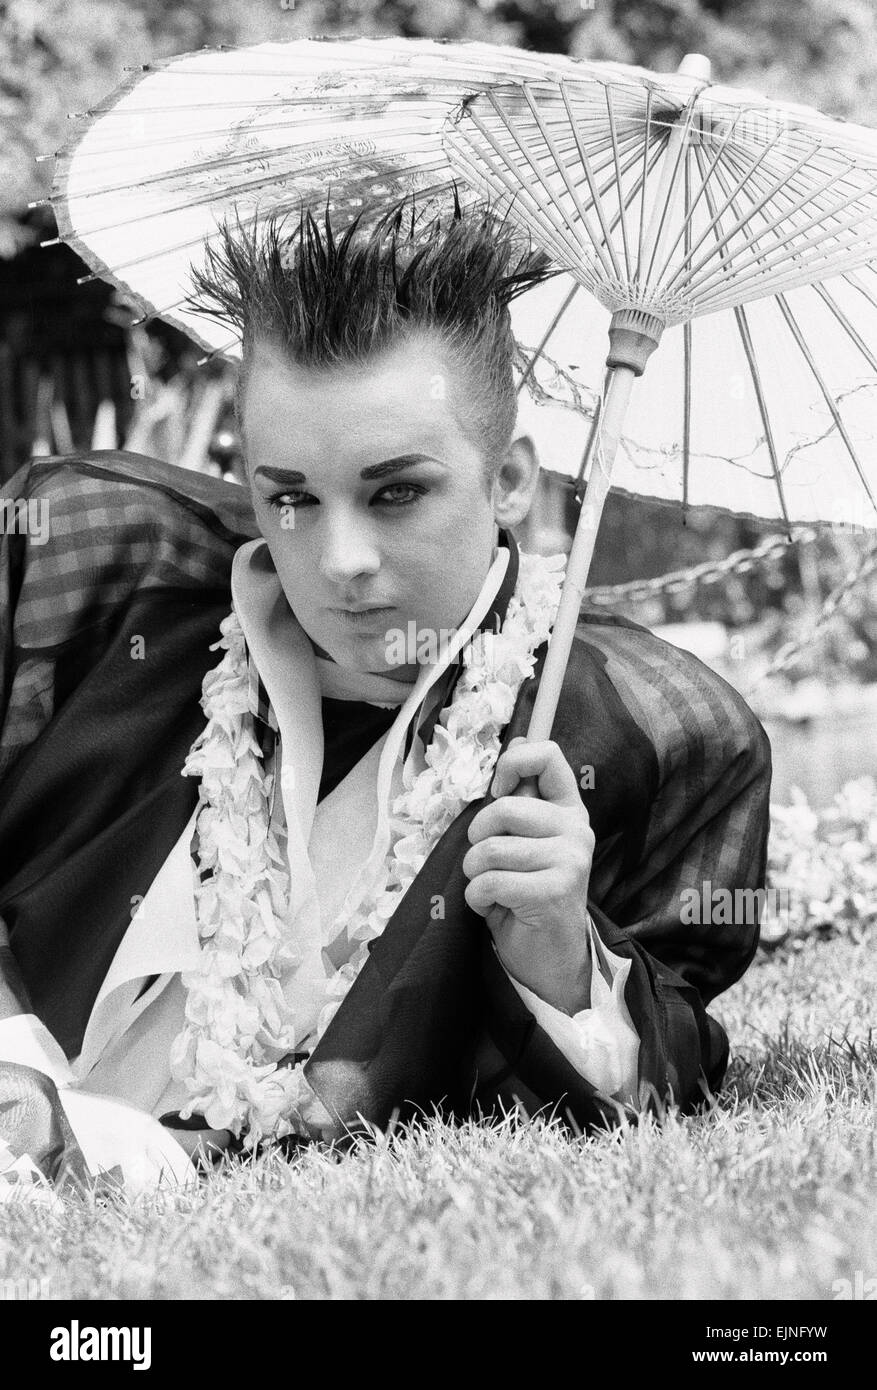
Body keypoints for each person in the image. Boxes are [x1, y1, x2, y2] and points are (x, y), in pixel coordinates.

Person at [0, 199, 771, 1192]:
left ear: (510, 484)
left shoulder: (647, 730)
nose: (341, 561)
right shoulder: (90, 561)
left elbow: (663, 1059)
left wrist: (559, 956)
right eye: (292, 496)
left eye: (396, 491)